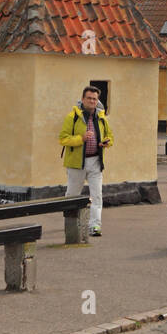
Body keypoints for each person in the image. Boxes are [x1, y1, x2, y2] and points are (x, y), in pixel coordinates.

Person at [59, 86, 113, 237]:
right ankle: (70, 223)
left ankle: (95, 226)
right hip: (76, 164)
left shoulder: (101, 117)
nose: (92, 101)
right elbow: (63, 138)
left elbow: (110, 136)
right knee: (72, 195)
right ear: (83, 99)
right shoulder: (73, 117)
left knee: (97, 196)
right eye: (89, 98)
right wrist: (80, 139)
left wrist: (107, 142)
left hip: (96, 161)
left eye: (95, 99)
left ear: (97, 101)